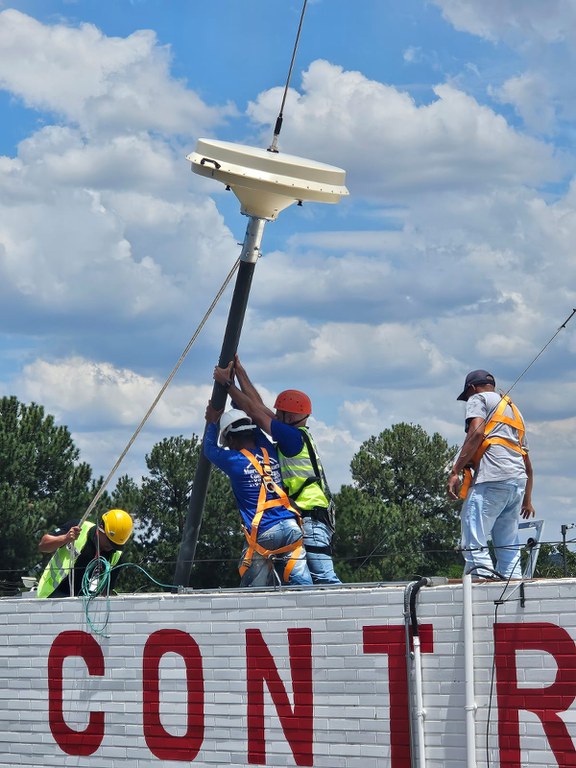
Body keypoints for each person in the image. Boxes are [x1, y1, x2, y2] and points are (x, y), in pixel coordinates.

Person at [214, 356, 341, 585]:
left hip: (311, 517)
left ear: (289, 416)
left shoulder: (291, 437)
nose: (275, 415)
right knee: (307, 582)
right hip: (311, 517)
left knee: (325, 579)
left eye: (280, 412)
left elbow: (257, 412)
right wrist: (241, 372)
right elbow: (258, 408)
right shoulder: (296, 433)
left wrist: (227, 385)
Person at [203, 403, 312, 588]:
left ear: (231, 440)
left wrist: (212, 422)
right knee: (302, 584)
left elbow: (209, 449)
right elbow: (259, 433)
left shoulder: (233, 460)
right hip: (291, 527)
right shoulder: (267, 450)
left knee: (255, 592)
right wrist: (240, 404)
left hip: (263, 533)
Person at [447, 369, 535, 579]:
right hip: (516, 483)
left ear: (472, 388)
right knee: (508, 545)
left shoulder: (478, 398)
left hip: (492, 478)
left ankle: (481, 591)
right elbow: (526, 461)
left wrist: (455, 471)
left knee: (473, 539)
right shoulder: (515, 411)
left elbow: (476, 432)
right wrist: (527, 500)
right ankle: (513, 590)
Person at [37, 508, 134, 598]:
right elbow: (43, 545)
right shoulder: (79, 527)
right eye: (109, 542)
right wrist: (65, 538)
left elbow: (106, 592)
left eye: (116, 545)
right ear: (100, 529)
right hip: (51, 595)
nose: (111, 547)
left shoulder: (116, 555)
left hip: (82, 602)